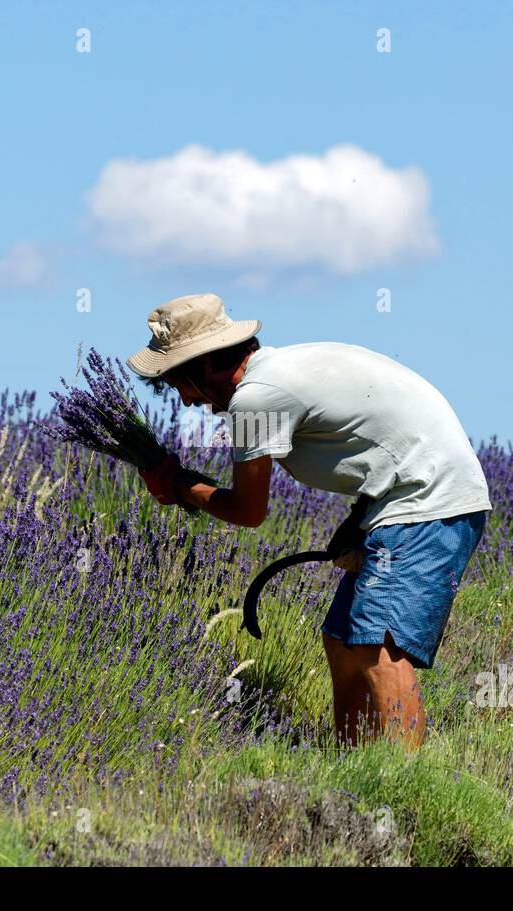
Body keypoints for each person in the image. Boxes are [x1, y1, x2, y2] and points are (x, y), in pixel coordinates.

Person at [127, 292, 492, 750]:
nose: (182, 400)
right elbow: (388, 435)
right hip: (403, 497)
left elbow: (248, 510)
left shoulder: (255, 400)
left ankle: (407, 784)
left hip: (427, 501)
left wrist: (179, 486)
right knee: (342, 640)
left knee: (376, 646)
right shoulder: (281, 370)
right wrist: (359, 520)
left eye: (177, 381)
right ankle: (355, 766)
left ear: (205, 366)